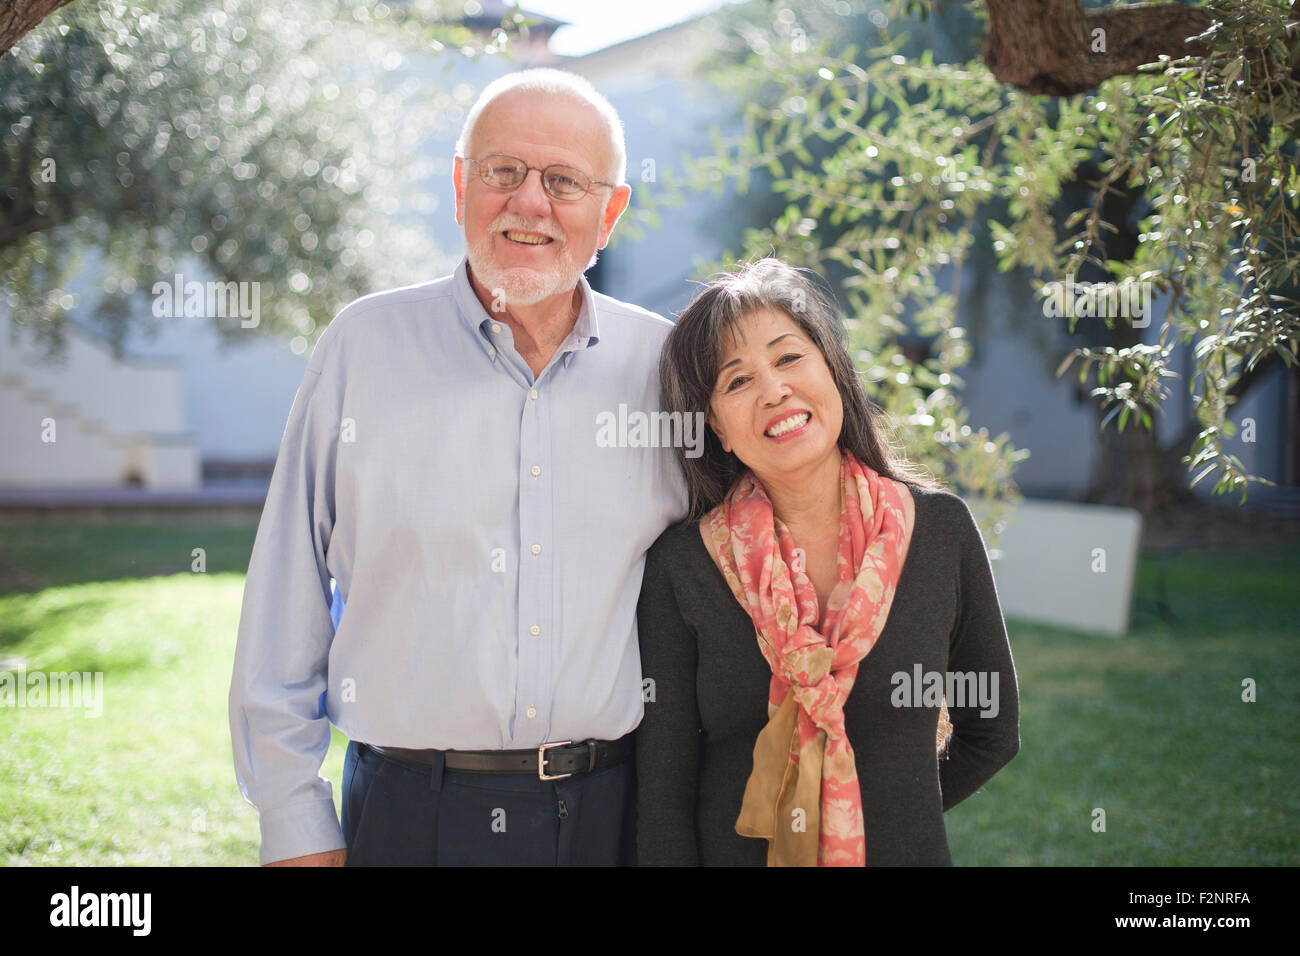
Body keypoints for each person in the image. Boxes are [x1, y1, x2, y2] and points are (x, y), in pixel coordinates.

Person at [229, 68, 687, 866]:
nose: (530, 202)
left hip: (615, 820)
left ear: (610, 212)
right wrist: (292, 817)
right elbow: (286, 587)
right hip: (408, 816)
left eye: (565, 181)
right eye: (503, 171)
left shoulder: (666, 367)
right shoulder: (363, 348)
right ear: (459, 186)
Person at [635, 258, 1019, 866]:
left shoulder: (939, 531)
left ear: (832, 369)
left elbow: (991, 732)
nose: (774, 391)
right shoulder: (682, 567)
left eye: (789, 358)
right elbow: (663, 795)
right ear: (718, 429)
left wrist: (870, 819)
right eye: (738, 381)